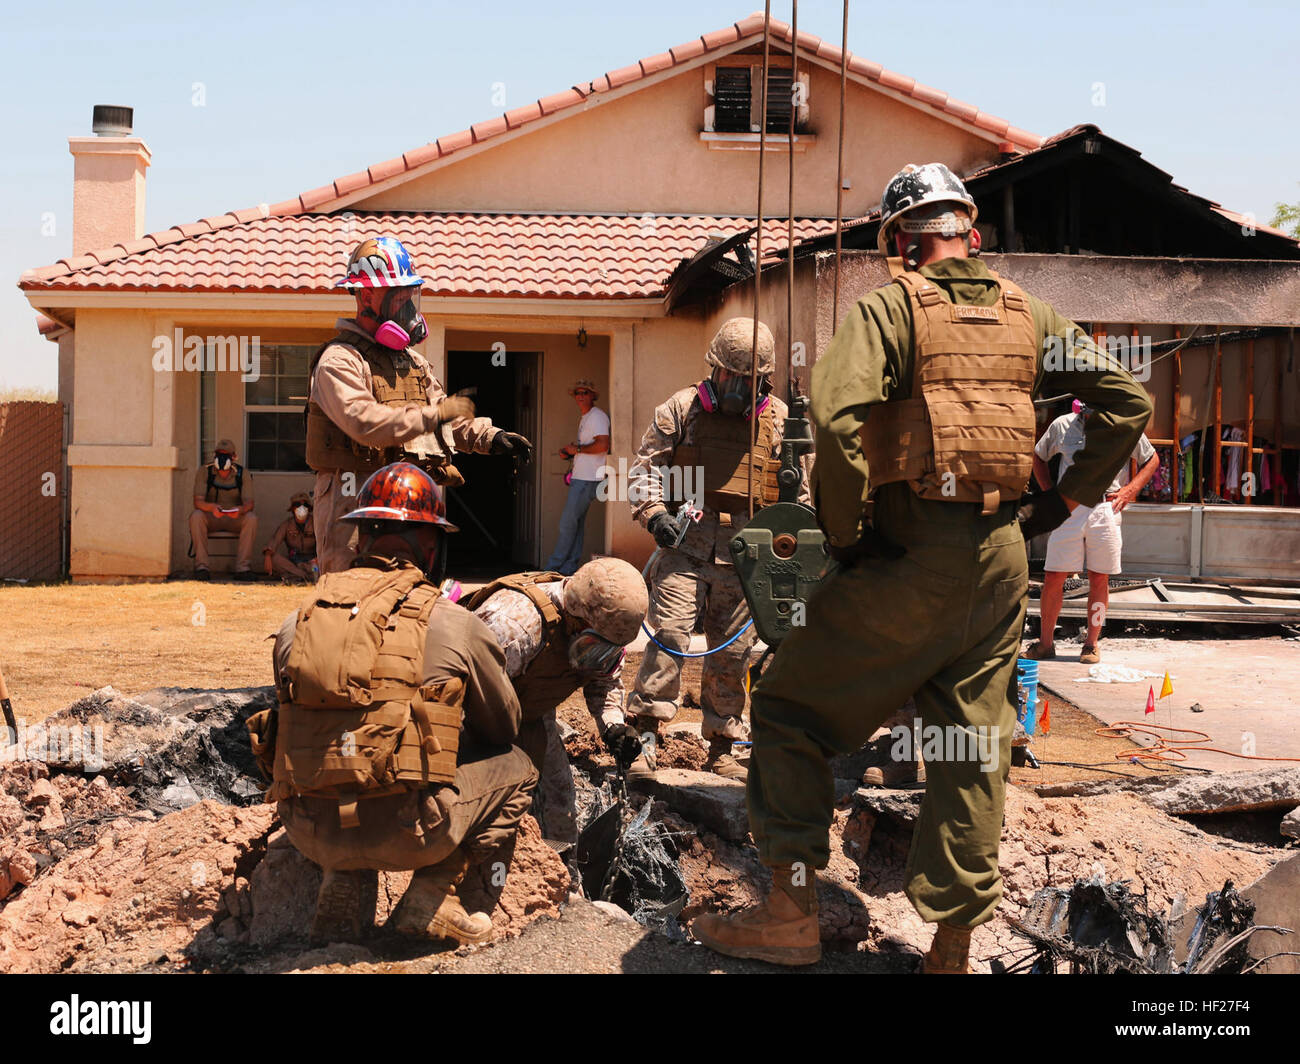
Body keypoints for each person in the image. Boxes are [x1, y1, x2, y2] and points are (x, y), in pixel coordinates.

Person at [691, 163, 1153, 970]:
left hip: (912, 557)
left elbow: (835, 424)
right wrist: (1057, 506)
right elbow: (1127, 402)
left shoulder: (889, 308)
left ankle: (790, 911)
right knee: (969, 748)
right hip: (1003, 566)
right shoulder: (1030, 312)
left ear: (901, 245)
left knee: (792, 708)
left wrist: (845, 536)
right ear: (971, 235)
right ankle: (950, 950)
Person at [249, 462, 537, 946]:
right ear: (430, 545)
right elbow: (502, 728)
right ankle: (432, 896)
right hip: (414, 831)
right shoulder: (453, 622)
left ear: (360, 538)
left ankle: (342, 882)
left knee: (341, 759)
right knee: (519, 767)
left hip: (309, 829)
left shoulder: (298, 619)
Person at [625, 318, 806, 782]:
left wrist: (791, 553)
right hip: (685, 546)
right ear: (714, 370)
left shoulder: (784, 422)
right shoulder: (681, 410)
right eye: (728, 375)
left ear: (762, 380)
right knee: (670, 637)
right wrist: (654, 515)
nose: (735, 388)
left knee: (734, 653)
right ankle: (646, 737)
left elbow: (799, 496)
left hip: (746, 555)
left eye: (746, 380)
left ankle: (722, 745)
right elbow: (645, 470)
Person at [308, 236, 533, 574]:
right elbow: (365, 422)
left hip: (408, 504)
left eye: (410, 295)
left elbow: (445, 417)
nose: (408, 306)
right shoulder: (339, 361)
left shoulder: (411, 361)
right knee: (350, 604)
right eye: (398, 297)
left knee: (411, 606)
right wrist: (434, 415)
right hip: (353, 504)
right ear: (366, 297)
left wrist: (490, 437)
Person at [462, 558, 648, 844]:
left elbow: (603, 679)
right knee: (482, 804)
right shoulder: (515, 627)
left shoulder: (600, 633)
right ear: (577, 618)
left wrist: (613, 727)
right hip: (473, 718)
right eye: (597, 646)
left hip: (532, 713)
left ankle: (562, 878)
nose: (599, 657)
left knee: (558, 798)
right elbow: (461, 695)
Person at [1027, 402, 1159, 664]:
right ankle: (1045, 644)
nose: (1088, 413)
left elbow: (1151, 459)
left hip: (1104, 508)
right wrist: (1049, 493)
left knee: (1099, 578)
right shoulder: (1063, 425)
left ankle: (1091, 644)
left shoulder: (1124, 424)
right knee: (1054, 575)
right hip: (1068, 507)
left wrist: (1129, 491)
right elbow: (1038, 456)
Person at [544, 380, 610, 575]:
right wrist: (572, 452)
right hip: (582, 477)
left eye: (585, 392)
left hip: (588, 479)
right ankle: (568, 569)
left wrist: (578, 449)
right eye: (577, 393)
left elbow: (603, 445)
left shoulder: (597, 417)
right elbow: (593, 446)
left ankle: (553, 568)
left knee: (567, 523)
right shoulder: (587, 417)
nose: (580, 396)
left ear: (592, 396)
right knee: (576, 525)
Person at [190, 438, 257, 580]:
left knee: (251, 518)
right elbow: (198, 502)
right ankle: (202, 567)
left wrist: (240, 510)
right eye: (219, 454)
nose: (222, 458)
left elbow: (249, 503)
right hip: (212, 517)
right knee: (196, 516)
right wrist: (211, 507)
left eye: (226, 454)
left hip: (234, 518)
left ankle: (243, 569)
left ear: (233, 457)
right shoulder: (205, 471)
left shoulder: (242, 473)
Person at [263, 491, 318, 582]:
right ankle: (303, 576)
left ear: (309, 508)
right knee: (273, 559)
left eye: (305, 505)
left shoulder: (316, 523)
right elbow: (274, 541)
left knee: (319, 566)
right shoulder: (287, 524)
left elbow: (325, 544)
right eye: (297, 504)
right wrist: (268, 555)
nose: (302, 508)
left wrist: (318, 559)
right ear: (292, 508)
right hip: (294, 563)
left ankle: (295, 576)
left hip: (312, 563)